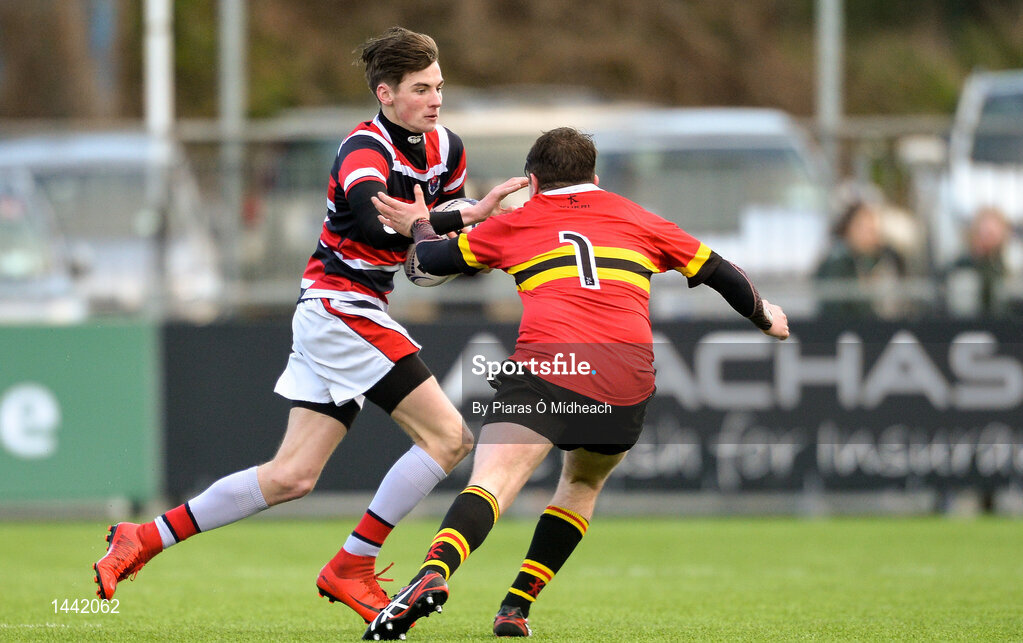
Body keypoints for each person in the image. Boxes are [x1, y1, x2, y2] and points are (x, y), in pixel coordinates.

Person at [92, 26, 526, 624]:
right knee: (449, 438)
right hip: (338, 308)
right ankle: (354, 562)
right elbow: (381, 231)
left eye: (439, 87)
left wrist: (474, 224)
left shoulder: (447, 148)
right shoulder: (363, 151)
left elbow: (428, 257)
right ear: (385, 94)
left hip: (353, 310)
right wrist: (438, 226)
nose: (436, 99)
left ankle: (142, 538)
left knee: (291, 476)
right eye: (422, 89)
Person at [364, 127, 789, 640]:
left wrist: (421, 225)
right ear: (595, 176)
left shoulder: (519, 222)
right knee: (583, 483)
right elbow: (720, 271)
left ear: (533, 182)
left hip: (553, 365)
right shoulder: (640, 217)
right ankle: (515, 609)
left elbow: (429, 262)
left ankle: (433, 573)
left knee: (493, 483)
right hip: (625, 380)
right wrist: (765, 316)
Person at [814, 200, 905, 318]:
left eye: (873, 229)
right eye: (864, 228)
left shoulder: (887, 259)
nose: (870, 234)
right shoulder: (837, 261)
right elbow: (834, 305)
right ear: (848, 229)